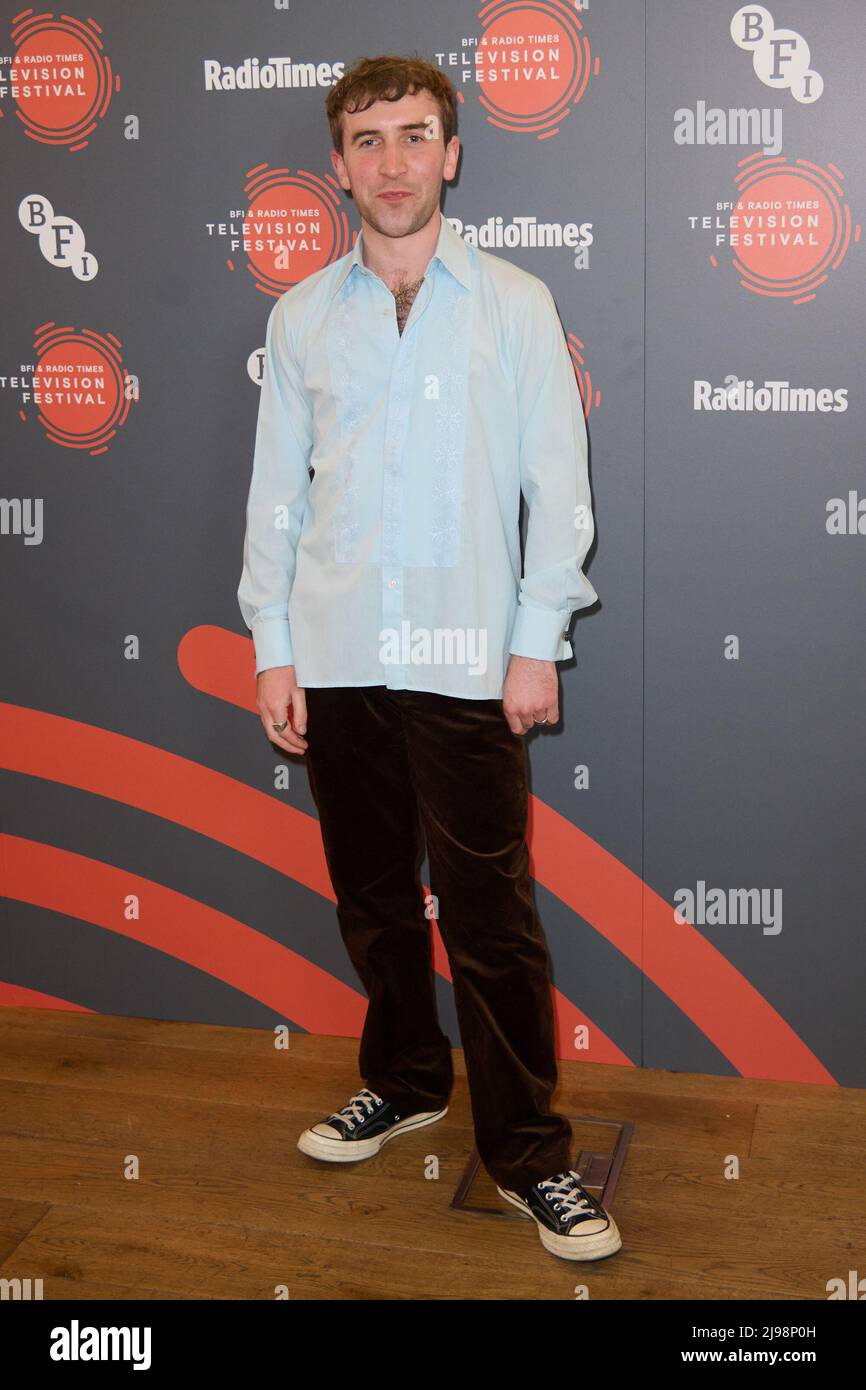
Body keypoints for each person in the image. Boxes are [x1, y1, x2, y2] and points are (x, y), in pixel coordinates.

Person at [237, 53, 620, 1263]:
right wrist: (273, 646)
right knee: (371, 901)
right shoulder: (298, 317)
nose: (391, 161)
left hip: (467, 663)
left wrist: (534, 641)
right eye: (366, 138)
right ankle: (405, 1078)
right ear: (338, 160)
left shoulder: (513, 302)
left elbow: (556, 491)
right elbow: (275, 506)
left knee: (492, 918)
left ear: (450, 153)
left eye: (413, 135)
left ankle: (526, 1155)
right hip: (338, 653)